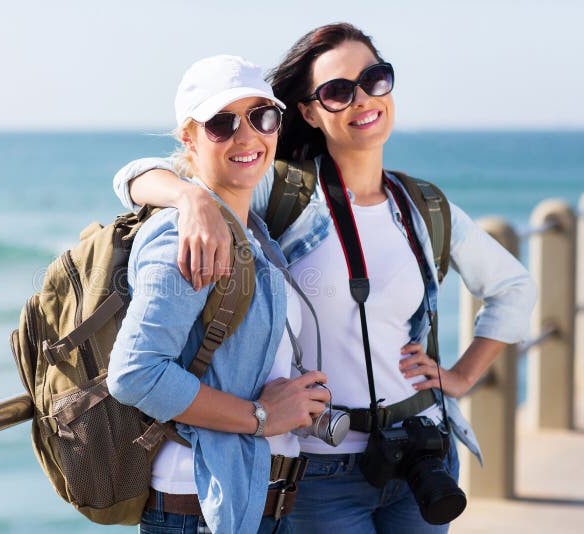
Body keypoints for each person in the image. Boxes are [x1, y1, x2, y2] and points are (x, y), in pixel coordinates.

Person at [110, 24, 536, 534]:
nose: (362, 100)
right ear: (310, 111)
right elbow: (146, 173)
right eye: (338, 91)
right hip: (319, 465)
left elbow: (514, 288)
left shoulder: (422, 207)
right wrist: (190, 199)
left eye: (375, 79)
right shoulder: (281, 192)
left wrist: (461, 377)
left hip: (421, 452)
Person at [107, 54, 330, 534]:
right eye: (222, 123)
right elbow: (134, 374)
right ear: (188, 139)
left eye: (261, 117)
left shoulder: (252, 228)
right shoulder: (184, 238)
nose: (247, 136)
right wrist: (262, 416)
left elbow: (131, 175)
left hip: (253, 504)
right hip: (200, 511)